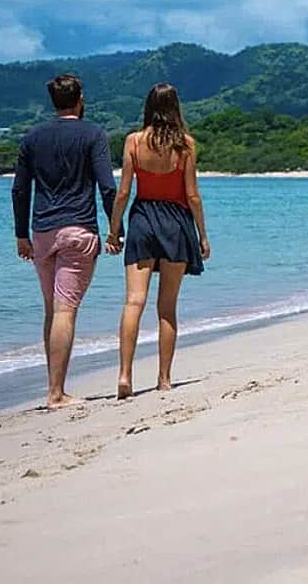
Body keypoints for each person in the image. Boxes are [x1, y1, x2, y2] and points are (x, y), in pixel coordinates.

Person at [12, 74, 117, 409]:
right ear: (80, 98)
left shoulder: (32, 137)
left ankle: (53, 387)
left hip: (42, 232)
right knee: (65, 311)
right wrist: (117, 228)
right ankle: (56, 394)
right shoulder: (94, 134)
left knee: (52, 311)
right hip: (79, 230)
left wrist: (20, 234)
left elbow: (19, 189)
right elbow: (107, 186)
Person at [105, 83, 209, 398]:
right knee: (167, 307)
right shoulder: (186, 145)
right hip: (176, 223)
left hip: (142, 221)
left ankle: (124, 375)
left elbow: (122, 191)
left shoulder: (134, 141)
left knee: (133, 301)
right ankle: (164, 379)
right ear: (176, 107)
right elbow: (192, 195)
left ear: (148, 106)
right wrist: (203, 235)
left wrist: (113, 229)